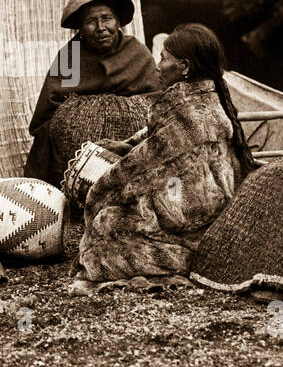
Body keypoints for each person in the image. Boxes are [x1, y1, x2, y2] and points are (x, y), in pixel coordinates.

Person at [74, 22, 257, 287]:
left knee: (107, 222)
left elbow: (143, 165)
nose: (157, 66)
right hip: (198, 201)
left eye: (163, 59)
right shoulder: (205, 97)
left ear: (183, 68)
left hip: (193, 214)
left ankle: (182, 259)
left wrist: (99, 190)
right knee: (114, 217)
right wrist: (126, 144)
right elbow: (156, 140)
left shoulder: (188, 111)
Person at [21, 0, 160, 183]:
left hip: (129, 151)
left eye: (107, 18)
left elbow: (156, 101)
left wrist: (121, 115)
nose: (101, 28)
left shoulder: (136, 52)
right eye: (91, 21)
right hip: (76, 154)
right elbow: (47, 115)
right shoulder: (71, 56)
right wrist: (78, 123)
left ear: (118, 21)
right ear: (80, 28)